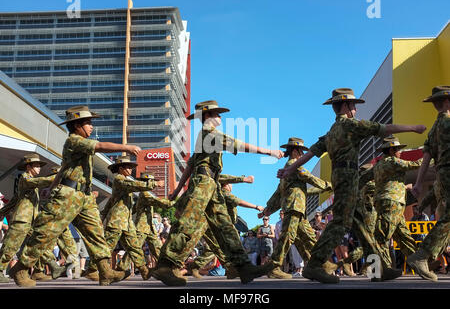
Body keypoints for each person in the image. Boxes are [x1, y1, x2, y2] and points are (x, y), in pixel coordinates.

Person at [278, 87, 426, 283]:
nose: (355, 109)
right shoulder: (351, 126)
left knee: (362, 226)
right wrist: (413, 128)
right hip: (348, 176)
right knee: (340, 222)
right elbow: (383, 129)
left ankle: (377, 270)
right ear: (346, 106)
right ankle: (314, 265)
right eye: (353, 106)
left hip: (343, 175)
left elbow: (311, 153)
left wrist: (290, 168)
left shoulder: (331, 132)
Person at [152, 100, 284, 286]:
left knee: (225, 225)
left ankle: (243, 267)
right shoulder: (209, 134)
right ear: (207, 115)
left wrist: (177, 190)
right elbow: (235, 144)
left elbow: (190, 165)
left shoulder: (203, 136)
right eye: (217, 114)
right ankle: (164, 266)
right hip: (204, 183)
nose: (220, 117)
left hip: (211, 184)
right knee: (189, 223)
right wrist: (268, 151)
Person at [10, 105, 141, 287]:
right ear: (76, 125)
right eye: (87, 123)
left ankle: (105, 271)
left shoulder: (80, 147)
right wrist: (126, 147)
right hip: (68, 196)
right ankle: (21, 269)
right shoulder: (74, 141)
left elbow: (63, 168)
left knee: (96, 234)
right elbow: (101, 146)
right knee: (46, 233)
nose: (91, 126)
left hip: (84, 197)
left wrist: (53, 187)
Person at [259, 137, 334, 279]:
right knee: (288, 236)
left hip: (298, 209)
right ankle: (273, 267)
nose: (302, 155)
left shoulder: (287, 169)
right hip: (294, 207)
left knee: (307, 238)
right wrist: (329, 185)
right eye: (300, 152)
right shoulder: (294, 165)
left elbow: (280, 193)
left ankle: (316, 265)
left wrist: (268, 209)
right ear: (294, 151)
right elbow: (310, 178)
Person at [85, 155, 164, 281]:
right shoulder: (120, 180)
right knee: (107, 247)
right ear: (120, 168)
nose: (130, 169)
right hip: (116, 221)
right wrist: (155, 183)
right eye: (128, 167)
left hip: (126, 222)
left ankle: (144, 270)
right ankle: (92, 269)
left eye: (131, 167)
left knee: (134, 247)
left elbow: (111, 201)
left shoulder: (123, 183)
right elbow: (137, 185)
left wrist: (103, 214)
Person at [0, 154, 67, 283]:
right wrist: (56, 178)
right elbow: (36, 182)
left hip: (31, 221)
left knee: (39, 243)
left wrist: (3, 211)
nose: (39, 168)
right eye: (36, 165)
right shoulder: (25, 178)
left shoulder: (31, 184)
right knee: (10, 246)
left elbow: (15, 199)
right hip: (22, 219)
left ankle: (52, 266)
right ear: (28, 166)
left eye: (39, 166)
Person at [408, 86, 450, 281]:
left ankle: (429, 257)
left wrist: (417, 183)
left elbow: (426, 157)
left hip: (441, 174)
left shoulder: (434, 128)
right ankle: (423, 255)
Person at [369, 136, 422, 280]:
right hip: (392, 203)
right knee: (381, 237)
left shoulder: (378, 165)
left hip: (388, 203)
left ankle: (421, 264)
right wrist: (433, 156)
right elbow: (415, 164)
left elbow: (363, 178)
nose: (400, 152)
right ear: (391, 150)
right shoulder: (392, 161)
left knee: (404, 236)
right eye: (398, 149)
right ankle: (376, 273)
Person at [117, 172, 175, 274]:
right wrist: (173, 202)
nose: (153, 184)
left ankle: (166, 269)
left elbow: (134, 209)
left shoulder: (143, 194)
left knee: (157, 248)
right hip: (142, 228)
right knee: (135, 249)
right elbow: (160, 203)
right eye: (152, 182)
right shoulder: (145, 194)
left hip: (149, 228)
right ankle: (121, 267)